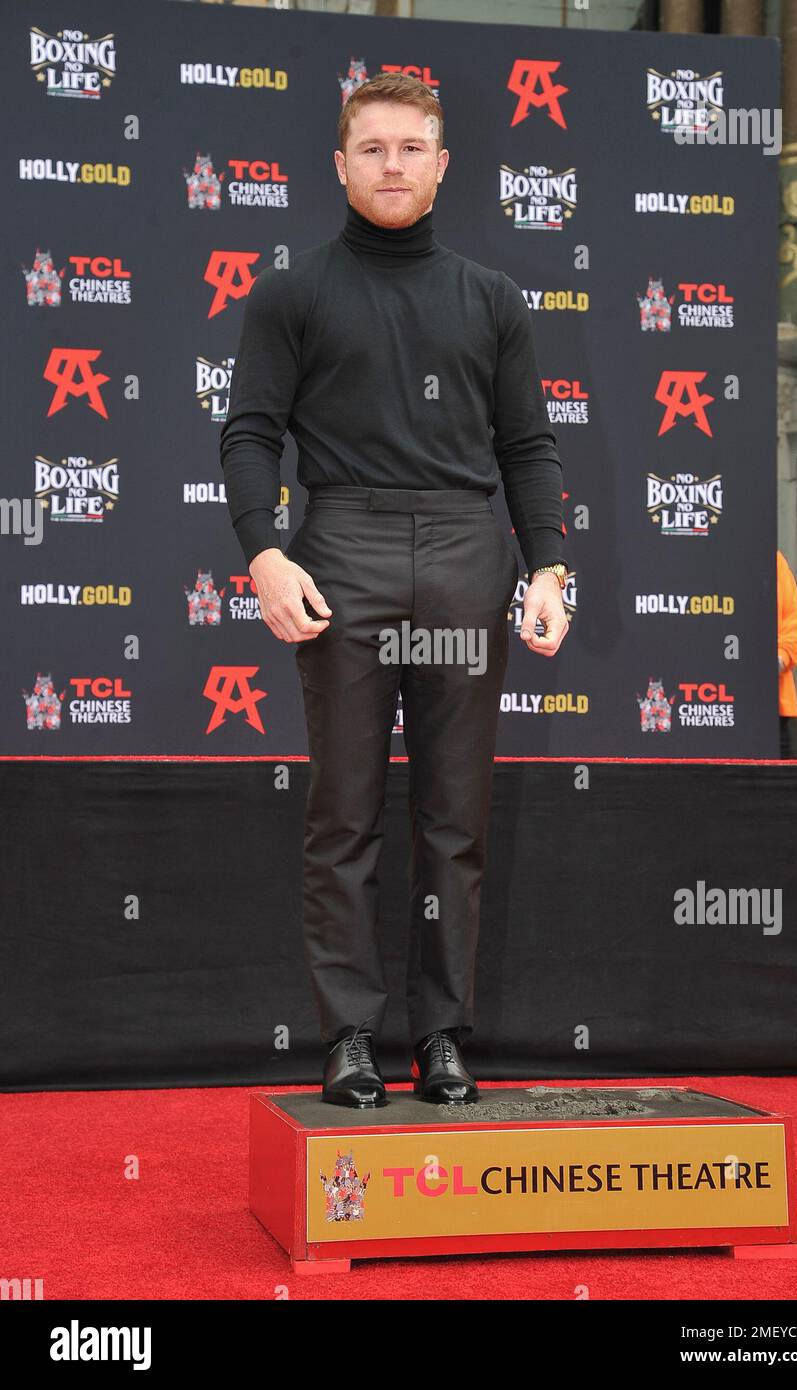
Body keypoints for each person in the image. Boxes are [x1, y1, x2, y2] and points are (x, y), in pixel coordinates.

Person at [219, 72, 568, 1108]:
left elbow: (528, 446)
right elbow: (249, 433)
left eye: (411, 148)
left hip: (467, 554)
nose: (391, 165)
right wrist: (263, 552)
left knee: (455, 814)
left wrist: (547, 565)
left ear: (441, 163)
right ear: (339, 163)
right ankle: (348, 1040)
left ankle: (445, 1036)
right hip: (344, 552)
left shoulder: (492, 299)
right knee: (346, 813)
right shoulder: (293, 291)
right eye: (371, 149)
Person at [777, 549, 797, 758]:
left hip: (778, 706)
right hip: (719, 707)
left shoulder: (774, 561)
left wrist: (781, 657)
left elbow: (794, 624)